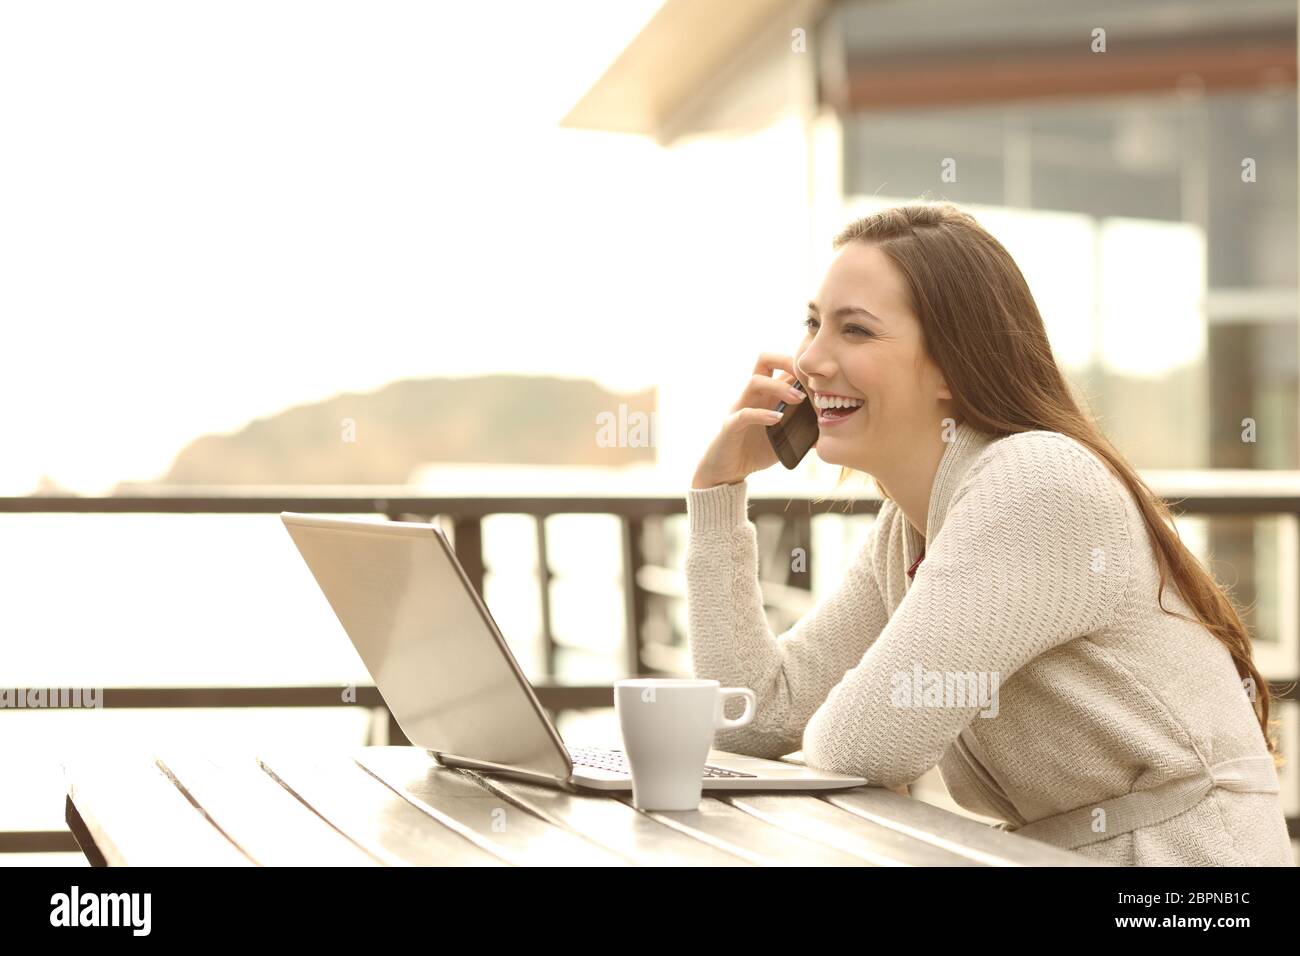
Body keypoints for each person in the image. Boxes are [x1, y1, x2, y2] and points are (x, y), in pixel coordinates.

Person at [685, 201, 1293, 867]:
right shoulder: (911, 527)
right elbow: (754, 713)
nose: (810, 360)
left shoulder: (1036, 485)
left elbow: (859, 744)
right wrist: (717, 495)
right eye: (813, 324)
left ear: (952, 365)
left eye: (854, 331)